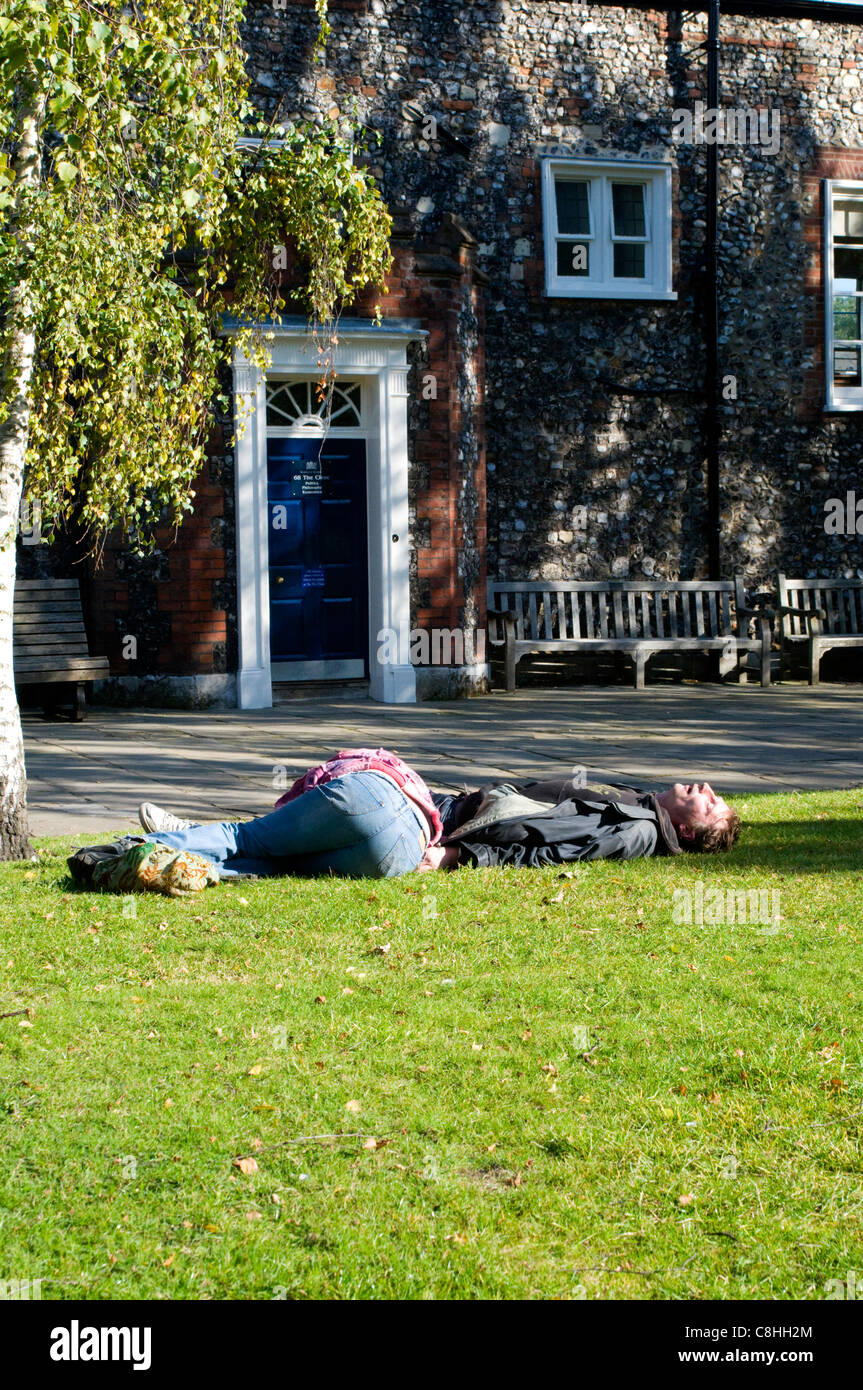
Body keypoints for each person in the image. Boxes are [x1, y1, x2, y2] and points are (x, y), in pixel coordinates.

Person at [122, 760, 739, 894]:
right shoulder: (638, 806)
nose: (705, 790)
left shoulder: (634, 829)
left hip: (438, 822)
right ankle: (190, 855)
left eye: (710, 804)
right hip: (435, 820)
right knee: (276, 857)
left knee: (254, 839)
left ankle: (145, 848)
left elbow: (553, 851)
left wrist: (458, 860)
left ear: (687, 834)